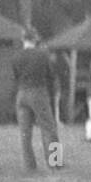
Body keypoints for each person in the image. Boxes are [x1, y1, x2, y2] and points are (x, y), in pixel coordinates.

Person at [13, 30, 61, 174]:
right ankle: (55, 162)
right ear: (35, 39)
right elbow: (51, 74)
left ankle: (29, 166)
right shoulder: (43, 55)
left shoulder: (16, 56)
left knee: (25, 133)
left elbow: (15, 76)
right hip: (38, 92)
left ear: (23, 39)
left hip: (21, 94)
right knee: (49, 128)